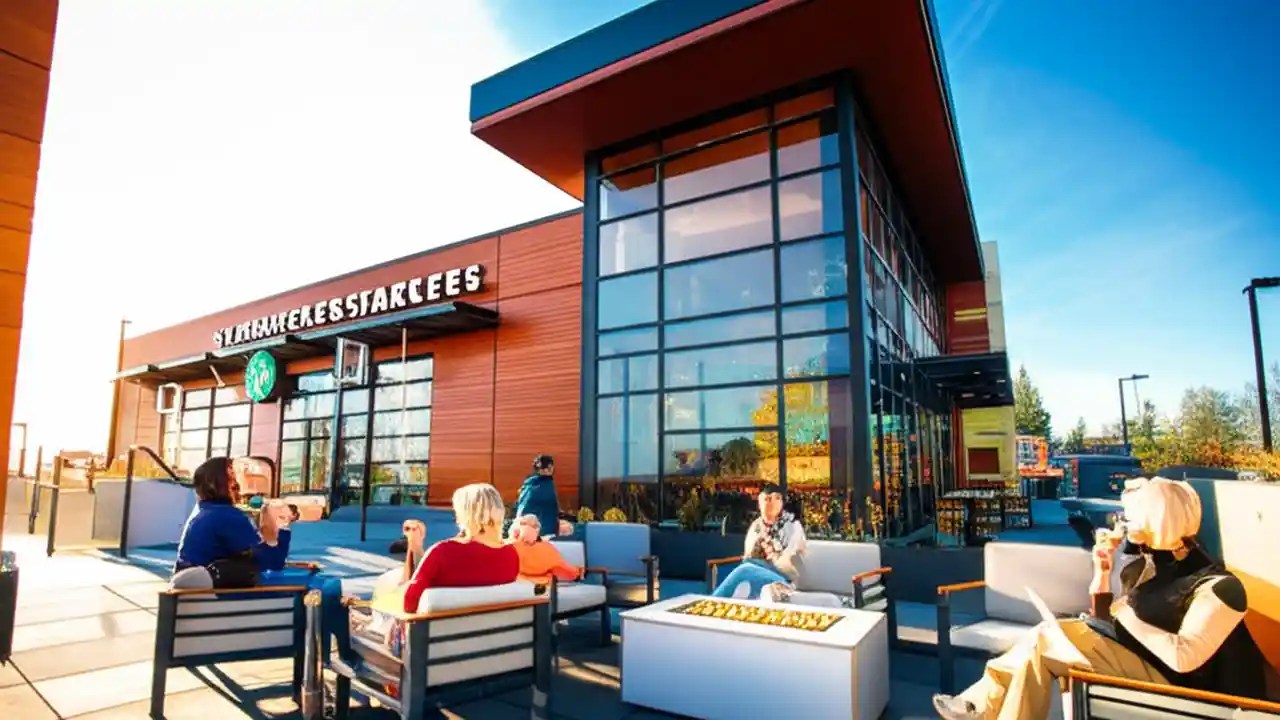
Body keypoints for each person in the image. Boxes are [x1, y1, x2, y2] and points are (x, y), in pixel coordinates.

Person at [933, 477, 1270, 720]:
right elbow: (1105, 619)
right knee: (1042, 641)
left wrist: (1125, 616)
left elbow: (1185, 658)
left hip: (1177, 684)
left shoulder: (1218, 585)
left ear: (1160, 517)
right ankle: (980, 707)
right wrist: (1102, 569)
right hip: (1135, 660)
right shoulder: (1147, 565)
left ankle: (979, 708)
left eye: (1132, 515)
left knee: (1046, 643)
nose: (1122, 521)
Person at [173, 456, 291, 588]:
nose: (238, 486)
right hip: (209, 592)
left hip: (187, 587)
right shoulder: (227, 515)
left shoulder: (203, 511)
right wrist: (281, 526)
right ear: (217, 483)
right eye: (232, 478)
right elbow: (273, 562)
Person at [401, 482, 520, 613]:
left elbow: (409, 604)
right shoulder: (511, 555)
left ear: (465, 515)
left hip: (440, 629)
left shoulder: (442, 552)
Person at [711, 483, 807, 600]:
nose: (768, 504)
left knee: (744, 570)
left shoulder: (792, 526)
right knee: (746, 572)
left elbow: (792, 565)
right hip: (759, 572)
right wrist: (757, 550)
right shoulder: (757, 525)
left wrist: (773, 553)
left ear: (781, 502)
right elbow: (748, 557)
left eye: (773, 499)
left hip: (787, 579)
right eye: (765, 500)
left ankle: (714, 601)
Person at [508, 514, 582, 585]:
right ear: (537, 529)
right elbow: (564, 569)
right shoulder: (547, 548)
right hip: (540, 587)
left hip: (515, 585)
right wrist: (577, 573)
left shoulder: (507, 547)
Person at [515, 454, 573, 539]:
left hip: (532, 531)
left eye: (549, 467)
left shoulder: (530, 484)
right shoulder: (544, 484)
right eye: (544, 468)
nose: (547, 470)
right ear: (538, 470)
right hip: (542, 532)